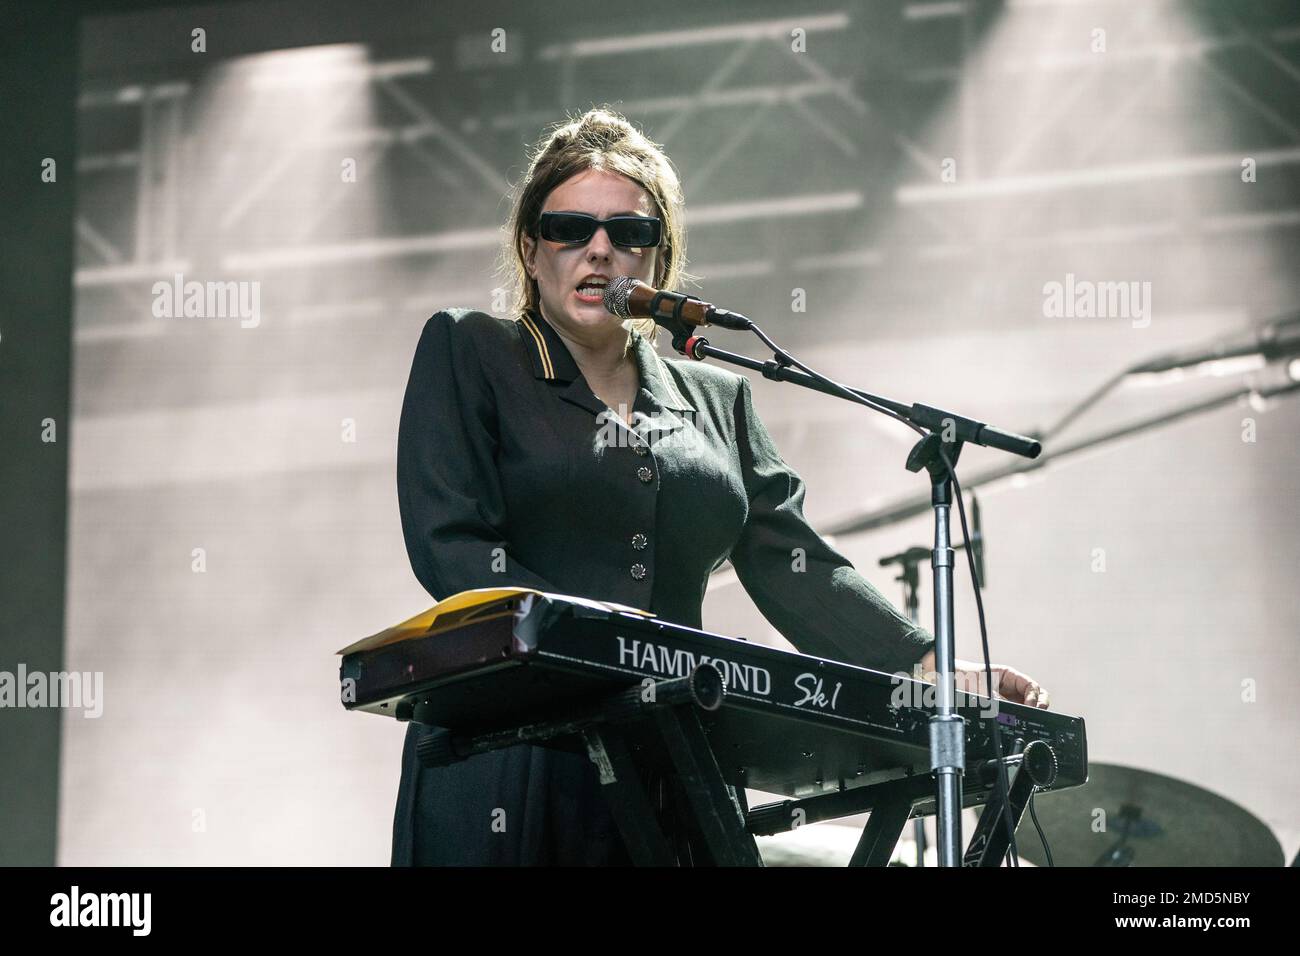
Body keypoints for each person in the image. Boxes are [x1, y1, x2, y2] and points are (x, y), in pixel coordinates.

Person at [391, 107, 1048, 866]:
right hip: (513, 754)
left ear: (658, 262)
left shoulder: (719, 399)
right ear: (531, 249)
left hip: (676, 758)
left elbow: (796, 566)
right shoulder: (473, 350)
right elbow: (452, 541)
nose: (599, 250)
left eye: (629, 234)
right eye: (571, 228)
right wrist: (585, 639)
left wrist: (927, 664)